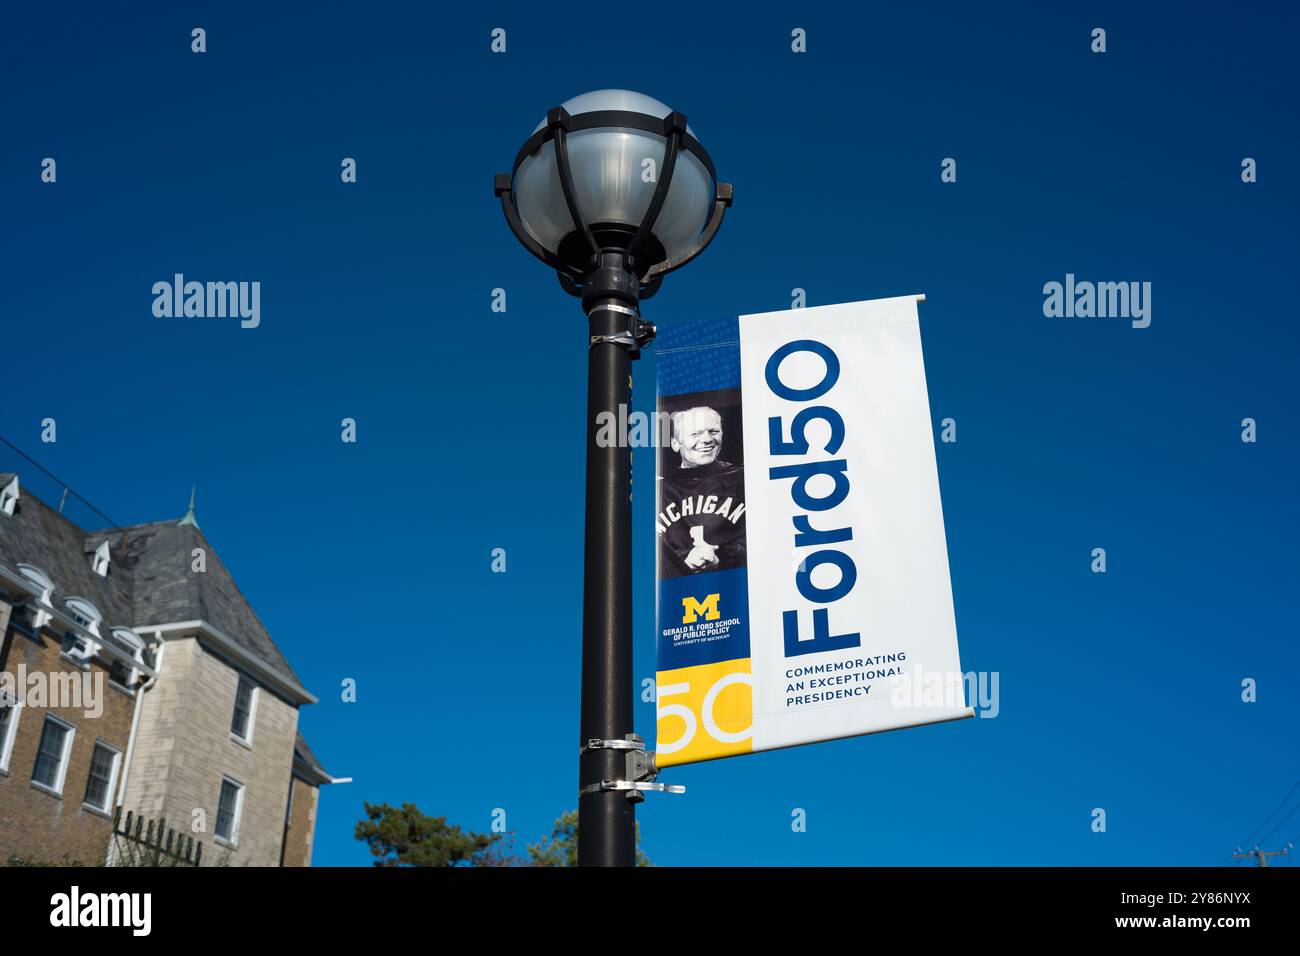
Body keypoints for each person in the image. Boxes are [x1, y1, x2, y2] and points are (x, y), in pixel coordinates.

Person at [656, 406, 746, 577]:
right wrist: (684, 559)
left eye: (713, 431)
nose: (707, 439)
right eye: (695, 434)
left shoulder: (746, 478)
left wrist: (721, 559)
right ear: (675, 444)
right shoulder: (658, 492)